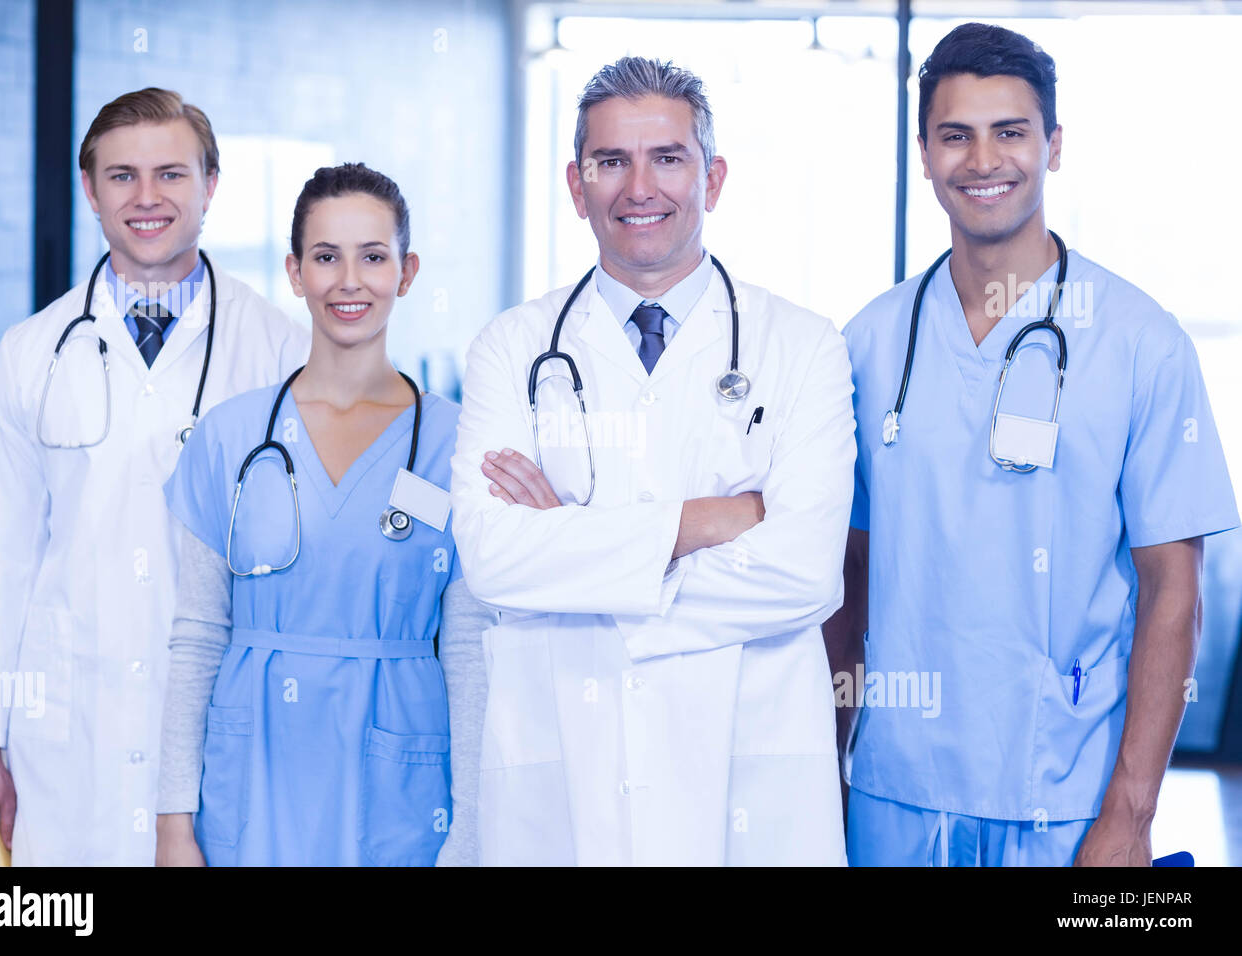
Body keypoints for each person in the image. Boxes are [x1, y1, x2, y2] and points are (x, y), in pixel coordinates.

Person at [826, 23, 1239, 866]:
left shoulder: (1139, 342)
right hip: (893, 794)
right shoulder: (869, 342)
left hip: (1070, 799)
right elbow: (848, 574)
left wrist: (1130, 813)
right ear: (924, 152)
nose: (984, 160)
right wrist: (827, 767)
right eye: (956, 135)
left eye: (1010, 132)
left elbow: (1175, 591)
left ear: (1053, 146)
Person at [449, 57, 856, 866]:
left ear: (714, 176)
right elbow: (493, 559)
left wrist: (575, 557)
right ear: (576, 183)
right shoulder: (512, 347)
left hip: (752, 767)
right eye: (611, 162)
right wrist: (706, 522)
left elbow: (806, 572)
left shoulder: (804, 347)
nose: (640, 187)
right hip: (561, 765)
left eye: (667, 157)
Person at [0, 88, 310, 865]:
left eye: (171, 174)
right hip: (63, 740)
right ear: (90, 190)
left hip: (219, 732)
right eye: (122, 177)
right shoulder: (30, 351)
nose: (147, 199)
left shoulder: (277, 350)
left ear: (211, 184)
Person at [154, 163, 488, 866]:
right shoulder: (231, 437)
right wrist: (172, 823)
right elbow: (195, 638)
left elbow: (465, 651)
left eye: (374, 256)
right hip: (254, 780)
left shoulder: (455, 444)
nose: (349, 280)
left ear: (407, 271)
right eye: (326, 256)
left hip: (399, 782)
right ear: (295, 272)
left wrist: (470, 829)